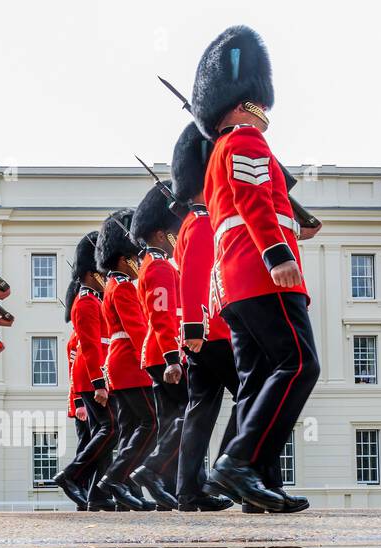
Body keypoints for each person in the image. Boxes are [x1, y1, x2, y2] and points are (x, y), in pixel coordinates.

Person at [193, 25, 318, 514]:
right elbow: (251, 201)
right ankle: (239, 460)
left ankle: (258, 483)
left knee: (259, 376)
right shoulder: (246, 140)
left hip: (236, 285)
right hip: (263, 274)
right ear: (246, 101)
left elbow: (249, 208)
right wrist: (278, 253)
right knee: (300, 364)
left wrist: (292, 230)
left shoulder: (222, 151)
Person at [170, 123, 235, 512]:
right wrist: (194, 327)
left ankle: (189, 490)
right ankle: (229, 470)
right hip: (211, 331)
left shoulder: (192, 223)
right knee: (253, 396)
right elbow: (194, 278)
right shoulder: (205, 223)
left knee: (201, 409)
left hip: (199, 332)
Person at [129, 180, 188, 510]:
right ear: (161, 234)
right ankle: (153, 471)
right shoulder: (161, 266)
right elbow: (163, 315)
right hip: (165, 352)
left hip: (158, 351)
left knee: (171, 421)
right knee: (188, 418)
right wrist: (172, 357)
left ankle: (167, 488)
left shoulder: (152, 265)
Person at [92, 210, 157, 512]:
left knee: (131, 428)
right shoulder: (124, 286)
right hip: (132, 364)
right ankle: (115, 480)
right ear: (123, 256)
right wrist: (158, 357)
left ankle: (120, 485)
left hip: (121, 365)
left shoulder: (114, 284)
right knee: (151, 423)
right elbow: (139, 331)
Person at [53, 231, 117, 510]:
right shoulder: (87, 302)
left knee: (106, 434)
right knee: (108, 429)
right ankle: (73, 475)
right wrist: (99, 382)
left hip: (98, 374)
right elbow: (90, 347)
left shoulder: (96, 300)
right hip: (92, 377)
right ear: (91, 274)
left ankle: (97, 494)